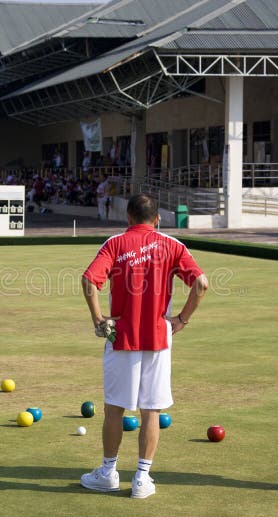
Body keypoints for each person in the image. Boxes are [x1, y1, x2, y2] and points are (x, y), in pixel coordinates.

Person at [79, 193, 209, 499]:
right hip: (158, 337)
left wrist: (100, 320)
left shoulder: (114, 244)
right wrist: (182, 319)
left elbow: (88, 281)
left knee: (114, 409)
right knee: (152, 410)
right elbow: (202, 284)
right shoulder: (173, 245)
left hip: (120, 336)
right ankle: (141, 478)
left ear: (128, 218)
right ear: (158, 219)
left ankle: (108, 473)